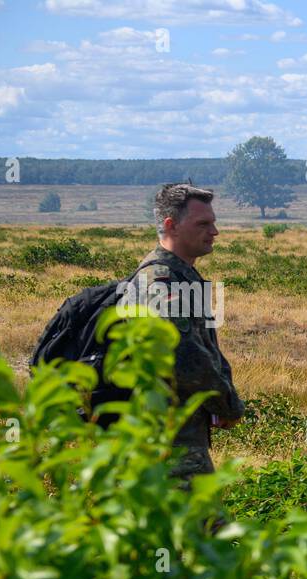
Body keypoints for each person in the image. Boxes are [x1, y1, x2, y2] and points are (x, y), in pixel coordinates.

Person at [125, 183, 244, 485]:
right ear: (171, 226)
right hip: (166, 444)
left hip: (181, 436)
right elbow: (184, 358)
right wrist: (226, 402)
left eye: (214, 222)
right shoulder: (158, 281)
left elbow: (205, 348)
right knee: (198, 527)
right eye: (203, 224)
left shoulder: (182, 276)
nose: (214, 231)